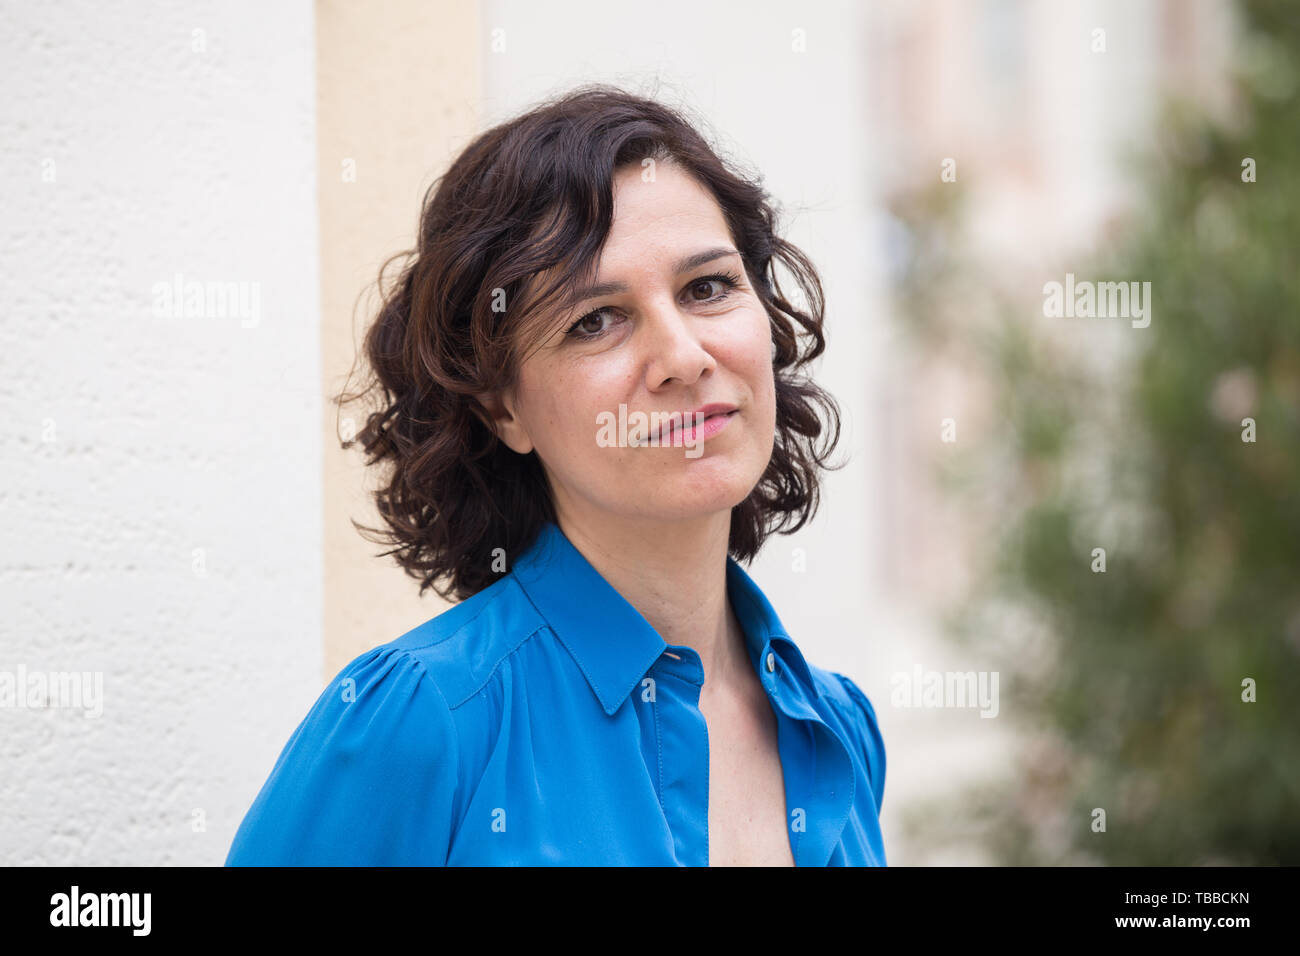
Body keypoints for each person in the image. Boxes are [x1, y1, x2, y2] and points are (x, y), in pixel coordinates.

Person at [226, 83, 886, 866]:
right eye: (594, 320)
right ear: (504, 409)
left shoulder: (839, 727)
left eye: (707, 288)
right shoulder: (418, 723)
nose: (682, 357)